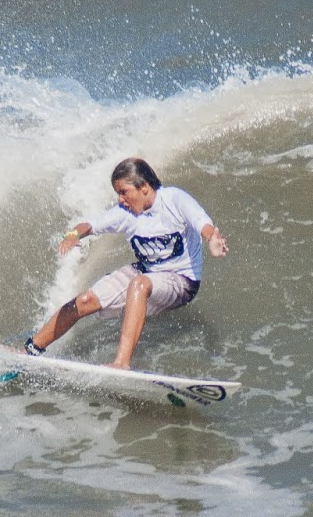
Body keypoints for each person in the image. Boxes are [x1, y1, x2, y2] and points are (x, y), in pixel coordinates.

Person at [24, 157, 229, 369]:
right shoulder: (125, 213)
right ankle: (31, 349)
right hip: (147, 271)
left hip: (182, 280)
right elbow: (88, 225)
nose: (121, 199)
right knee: (84, 300)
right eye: (118, 193)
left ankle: (121, 363)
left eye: (124, 192)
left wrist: (212, 239)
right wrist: (72, 234)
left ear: (145, 188)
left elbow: (201, 222)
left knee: (139, 284)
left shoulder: (174, 199)